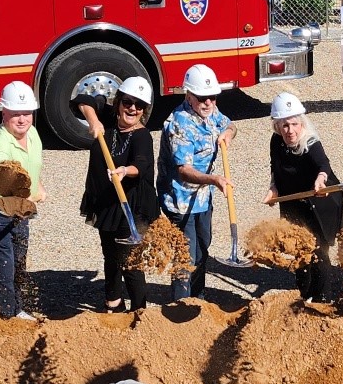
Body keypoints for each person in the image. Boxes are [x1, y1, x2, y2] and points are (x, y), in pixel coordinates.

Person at [79, 77, 158, 312]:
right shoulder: (107, 118)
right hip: (107, 202)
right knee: (110, 254)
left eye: (139, 105)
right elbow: (82, 100)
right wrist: (94, 121)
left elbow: (142, 164)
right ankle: (113, 302)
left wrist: (125, 170)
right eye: (128, 102)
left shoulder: (142, 136)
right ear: (118, 102)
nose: (133, 108)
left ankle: (139, 310)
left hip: (131, 205)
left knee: (130, 261)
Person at [160, 64, 236, 301]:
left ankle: (198, 300)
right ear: (189, 95)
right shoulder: (179, 124)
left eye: (212, 97)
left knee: (203, 248)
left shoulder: (211, 112)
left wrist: (228, 133)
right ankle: (181, 303)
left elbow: (230, 125)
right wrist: (213, 179)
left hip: (202, 198)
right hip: (180, 200)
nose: (208, 103)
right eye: (202, 98)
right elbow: (184, 171)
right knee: (186, 256)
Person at [263, 92, 343, 303]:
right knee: (299, 248)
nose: (290, 130)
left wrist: (320, 179)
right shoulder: (276, 141)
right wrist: (273, 188)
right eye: (285, 125)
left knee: (318, 250)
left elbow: (323, 165)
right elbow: (275, 167)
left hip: (320, 199)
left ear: (302, 124)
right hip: (293, 201)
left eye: (294, 124)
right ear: (277, 126)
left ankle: (322, 298)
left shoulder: (310, 143)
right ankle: (304, 294)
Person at [0, 81, 46, 321]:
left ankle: (17, 310)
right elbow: (6, 178)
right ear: (4, 112)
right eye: (16, 113)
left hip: (19, 211)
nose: (22, 119)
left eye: (26, 113)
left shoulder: (33, 133)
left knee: (18, 264)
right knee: (3, 266)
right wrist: (30, 195)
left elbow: (32, 165)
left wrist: (38, 185)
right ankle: (9, 316)